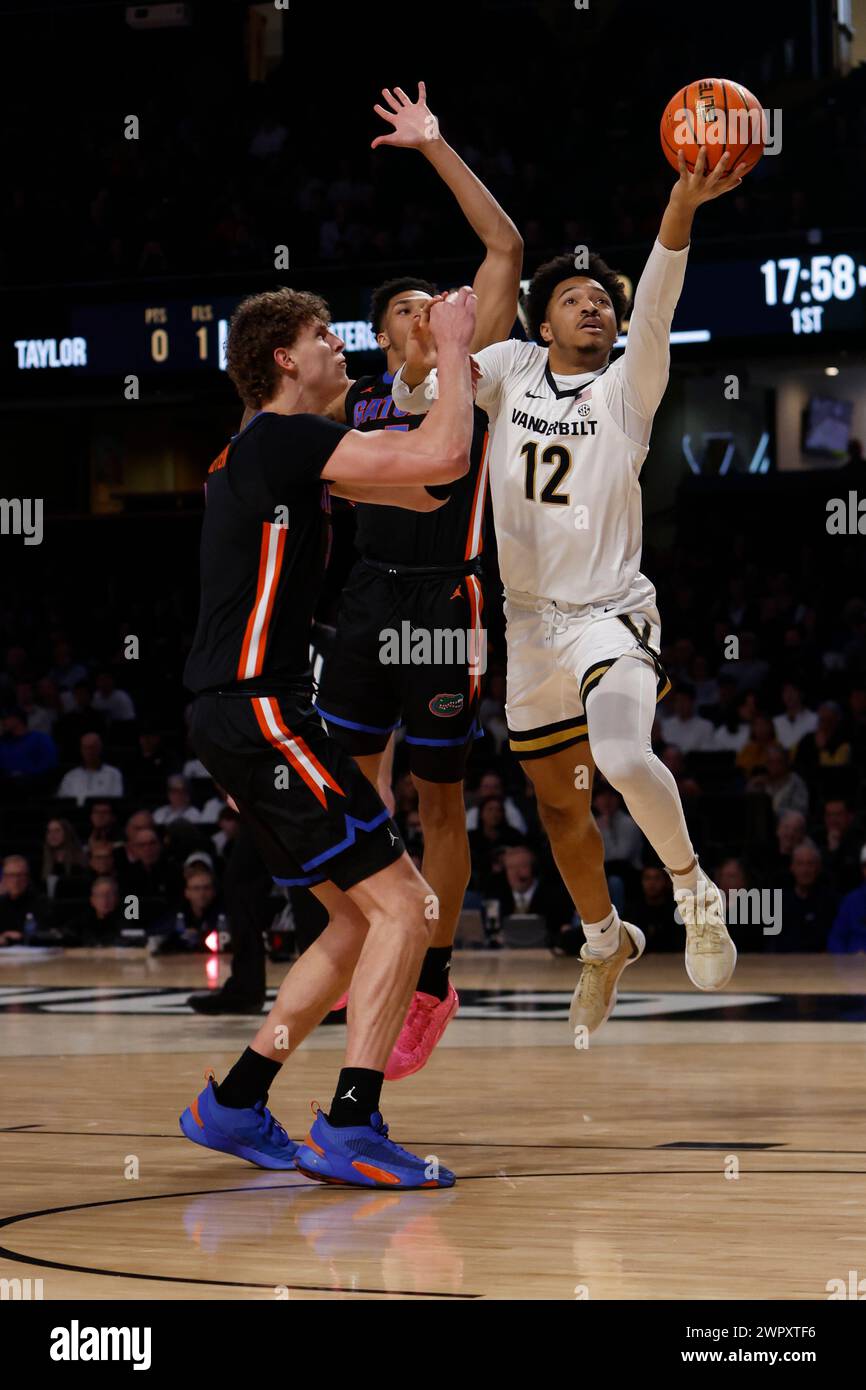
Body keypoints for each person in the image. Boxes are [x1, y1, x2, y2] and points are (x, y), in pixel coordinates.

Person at [394, 145, 743, 1037]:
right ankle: (603, 939)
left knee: (624, 757)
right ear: (543, 323)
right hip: (529, 627)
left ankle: (695, 892)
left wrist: (681, 201)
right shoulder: (509, 369)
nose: (596, 307)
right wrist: (426, 352)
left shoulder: (632, 388)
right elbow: (427, 389)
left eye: (603, 303)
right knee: (559, 805)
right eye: (575, 299)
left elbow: (659, 293)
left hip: (611, 613)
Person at [178, 274, 478, 1187]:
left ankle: (234, 1099)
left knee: (353, 921)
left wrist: (445, 417)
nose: (340, 351)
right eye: (324, 339)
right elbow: (442, 459)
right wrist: (460, 347)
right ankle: (353, 1123)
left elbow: (428, 494)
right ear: (283, 358)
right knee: (409, 907)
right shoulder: (283, 438)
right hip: (263, 708)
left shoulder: (262, 454)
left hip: (236, 714)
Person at [313, 83, 523, 1075]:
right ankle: (373, 938)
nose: (427, 308)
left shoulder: (462, 373)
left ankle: (432, 973)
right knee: (354, 788)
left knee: (438, 800)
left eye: (432, 301)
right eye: (405, 306)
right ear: (380, 332)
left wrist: (436, 146)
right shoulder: (355, 401)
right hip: (364, 599)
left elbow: (505, 251)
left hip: (446, 596)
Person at [56, 732, 124, 804]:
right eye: (85, 748)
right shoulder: (71, 776)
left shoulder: (113, 774)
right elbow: (62, 801)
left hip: (101, 813)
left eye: (92, 748)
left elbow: (116, 800)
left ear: (99, 748)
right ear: (81, 750)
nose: (89, 752)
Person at [0, 707, 58, 782]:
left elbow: (50, 767)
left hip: (36, 786)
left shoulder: (40, 739)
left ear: (17, 718)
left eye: (5, 718)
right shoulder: (3, 743)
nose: (2, 722)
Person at [828, 846, 866, 953]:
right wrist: (847, 959)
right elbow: (836, 938)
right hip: (853, 965)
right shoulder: (851, 901)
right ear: (863, 870)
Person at [659, 683, 713, 754]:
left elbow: (706, 754)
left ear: (693, 702)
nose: (681, 704)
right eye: (678, 700)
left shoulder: (705, 726)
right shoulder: (665, 725)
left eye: (684, 700)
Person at [40, 817, 87, 896]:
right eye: (49, 831)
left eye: (57, 831)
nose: (52, 835)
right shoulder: (41, 861)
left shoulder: (79, 862)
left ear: (67, 833)